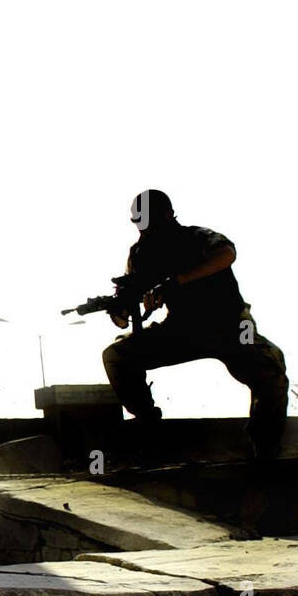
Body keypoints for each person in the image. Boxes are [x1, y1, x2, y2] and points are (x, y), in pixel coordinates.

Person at [102, 189, 288, 460]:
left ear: (167, 215)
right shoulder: (140, 254)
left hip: (229, 325)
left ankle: (266, 450)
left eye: (150, 222)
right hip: (181, 330)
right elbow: (125, 315)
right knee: (117, 356)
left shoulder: (195, 238)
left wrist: (175, 282)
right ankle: (149, 424)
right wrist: (120, 309)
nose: (145, 230)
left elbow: (226, 254)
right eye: (140, 224)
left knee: (269, 371)